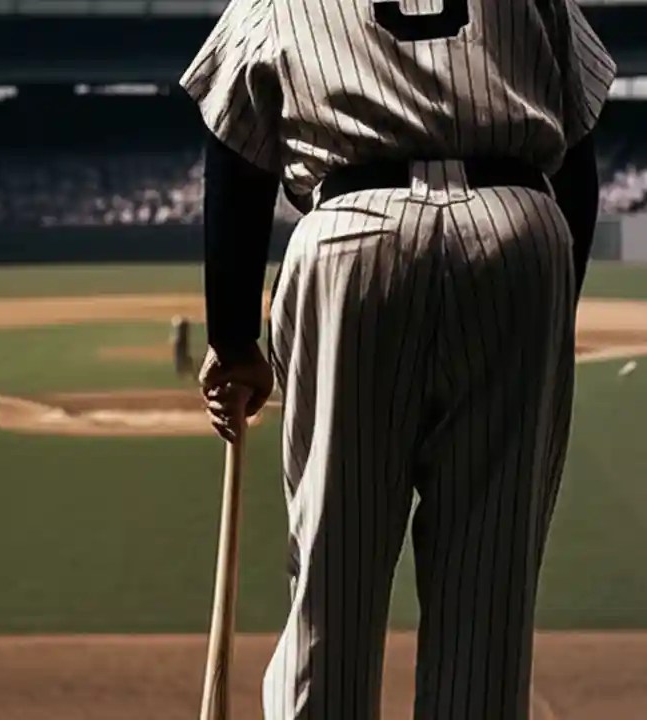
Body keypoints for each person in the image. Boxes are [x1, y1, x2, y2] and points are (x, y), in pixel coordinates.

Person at [181, 1, 615, 717]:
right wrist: (544, 316)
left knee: (334, 578)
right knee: (489, 589)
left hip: (354, 233)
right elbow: (579, 142)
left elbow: (235, 153)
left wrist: (233, 341)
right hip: (518, 226)